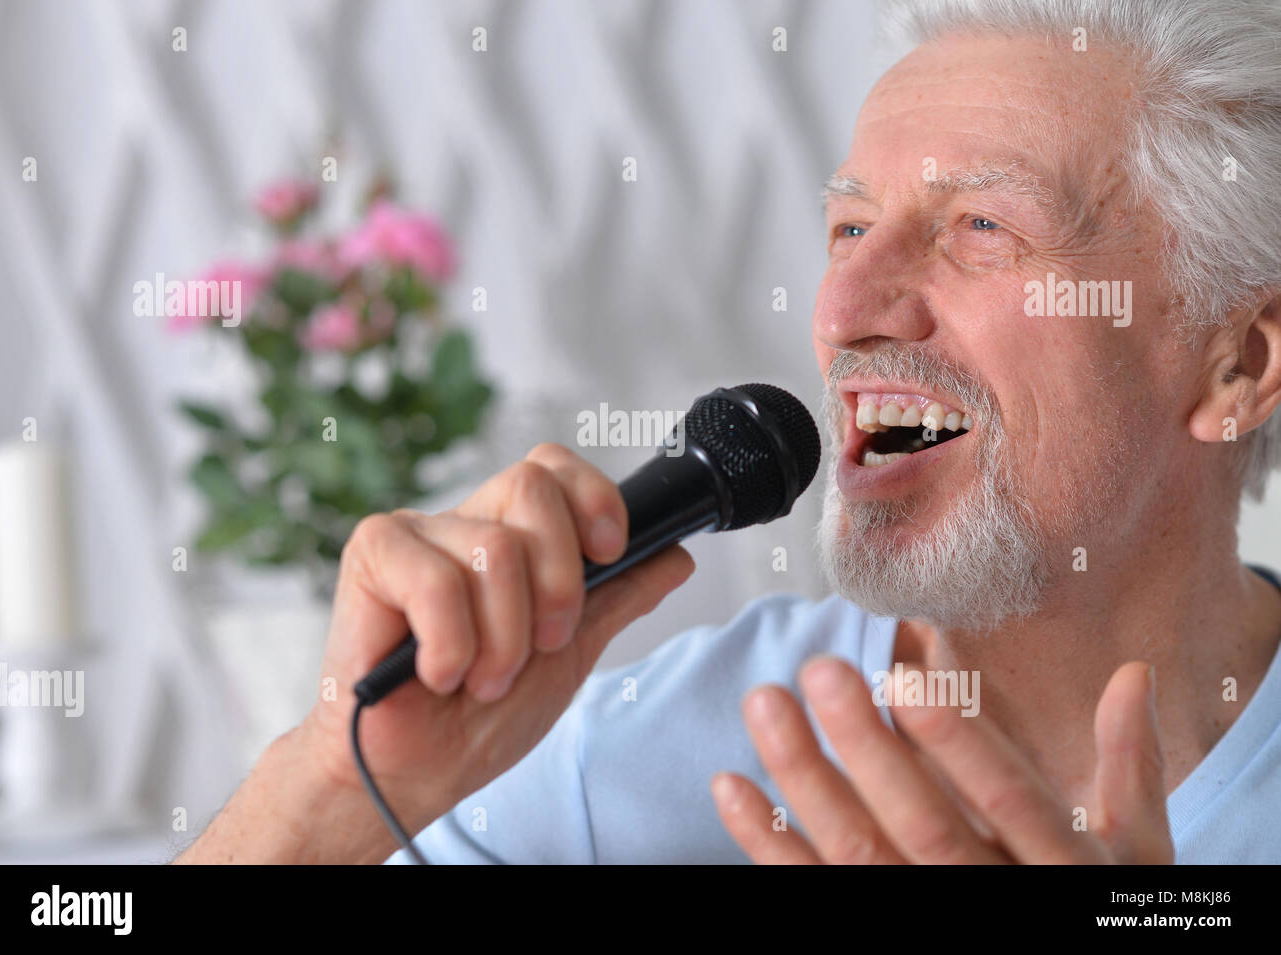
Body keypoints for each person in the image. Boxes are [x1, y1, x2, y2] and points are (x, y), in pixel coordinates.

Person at [177, 0, 1281, 864]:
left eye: (980, 229)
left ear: (1240, 363)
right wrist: (328, 789)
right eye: (848, 226)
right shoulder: (653, 750)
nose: (844, 313)